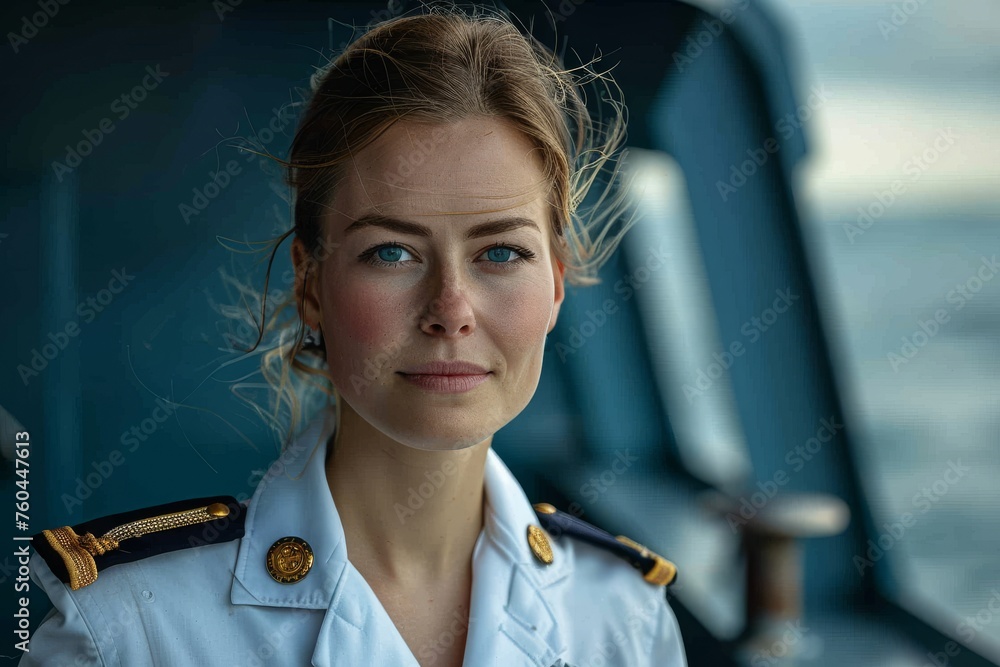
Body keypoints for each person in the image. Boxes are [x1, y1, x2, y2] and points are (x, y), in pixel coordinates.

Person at [21, 5, 687, 666]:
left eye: (502, 253)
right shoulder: (124, 631)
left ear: (558, 284)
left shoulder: (625, 618)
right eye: (393, 252)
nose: (450, 309)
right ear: (311, 284)